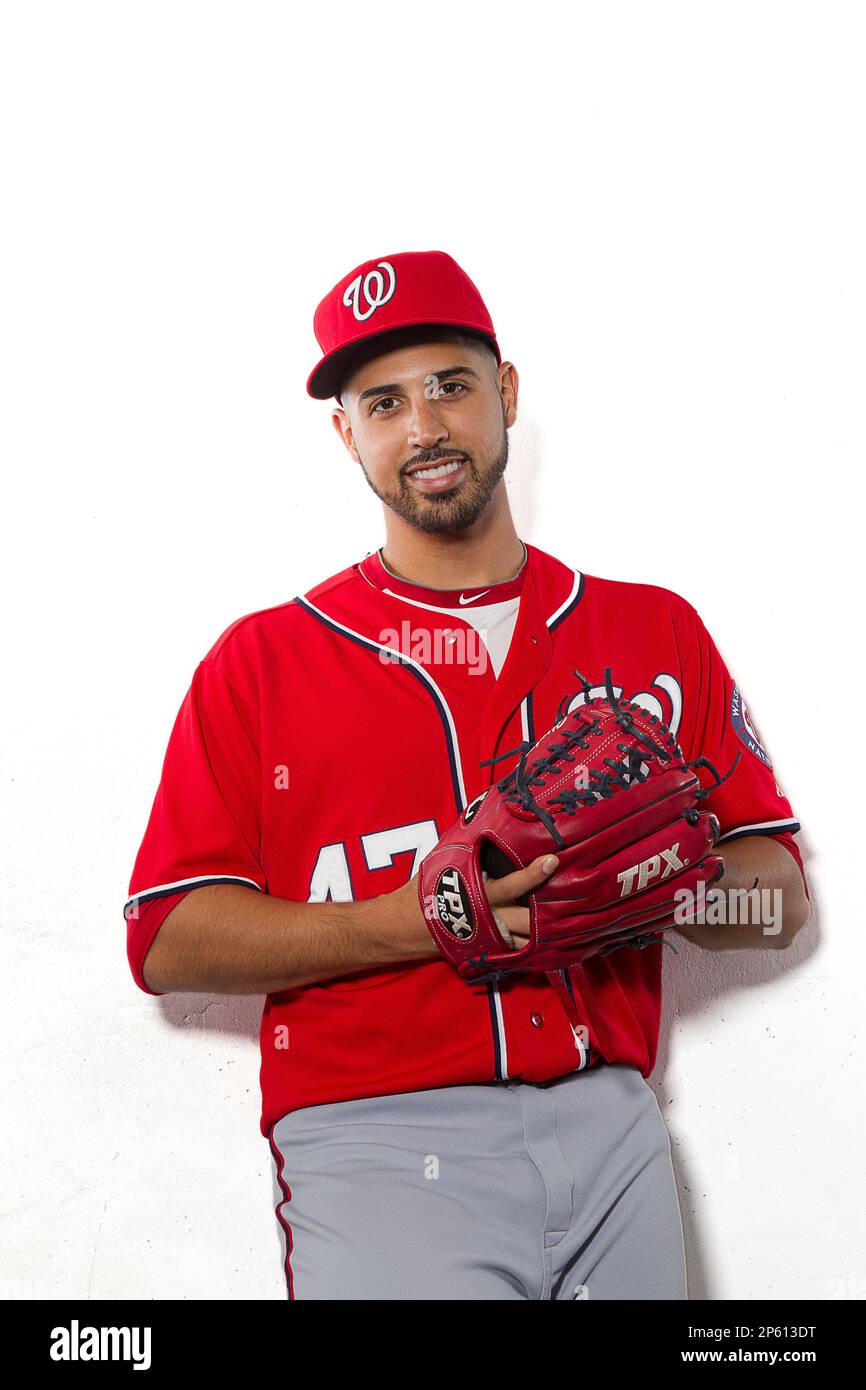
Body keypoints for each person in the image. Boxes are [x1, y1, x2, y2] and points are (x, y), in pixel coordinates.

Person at [125, 249, 810, 1300]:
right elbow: (165, 935)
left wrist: (664, 887)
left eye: (449, 383)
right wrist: (412, 918)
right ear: (345, 432)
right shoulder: (260, 663)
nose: (423, 426)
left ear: (506, 392)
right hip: (379, 1139)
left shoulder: (651, 629)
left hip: (614, 1122)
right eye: (383, 401)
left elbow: (779, 896)